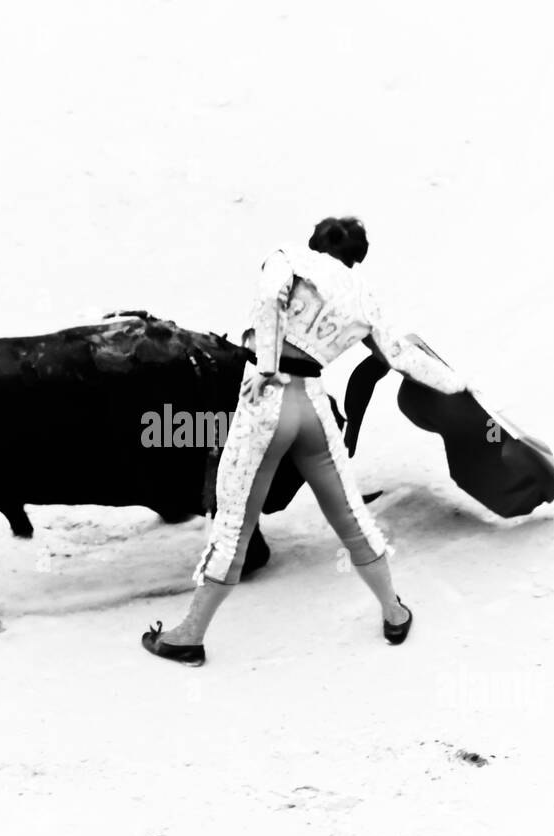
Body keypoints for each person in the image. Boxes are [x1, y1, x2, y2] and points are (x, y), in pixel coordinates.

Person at [142, 216, 468, 666]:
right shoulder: (363, 297)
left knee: (234, 522)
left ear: (316, 243)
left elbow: (269, 300)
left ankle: (189, 634)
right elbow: (398, 355)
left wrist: (268, 365)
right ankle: (394, 611)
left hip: (264, 399)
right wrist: (459, 386)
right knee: (349, 512)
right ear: (356, 256)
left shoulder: (289, 256)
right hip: (312, 406)